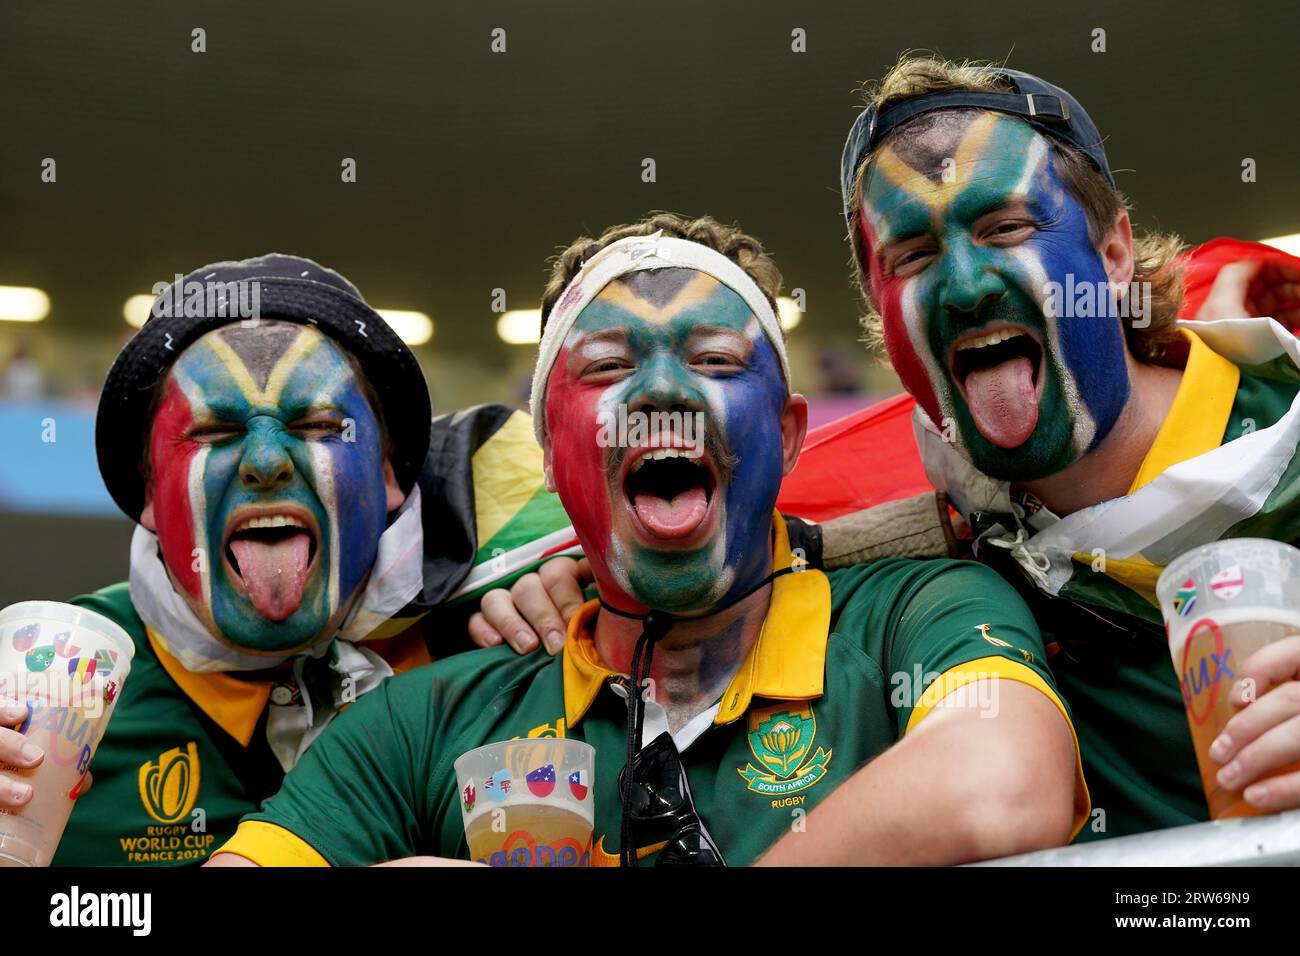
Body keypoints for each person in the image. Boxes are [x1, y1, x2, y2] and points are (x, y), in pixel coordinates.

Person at [210, 215, 1086, 868]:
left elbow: (1002, 786)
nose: (664, 390)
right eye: (607, 366)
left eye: (714, 361)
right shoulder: (425, 718)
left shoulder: (918, 612)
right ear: (549, 453)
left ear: (784, 436)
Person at [837, 57, 1300, 837]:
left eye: (1006, 228)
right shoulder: (929, 551)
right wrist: (573, 584)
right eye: (913, 255)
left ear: (1114, 256)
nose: (965, 286)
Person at [0, 254, 572, 865]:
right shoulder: (54, 681)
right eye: (214, 432)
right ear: (146, 488)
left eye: (319, 424)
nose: (266, 461)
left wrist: (590, 620)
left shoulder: (487, 630)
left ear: (388, 472)